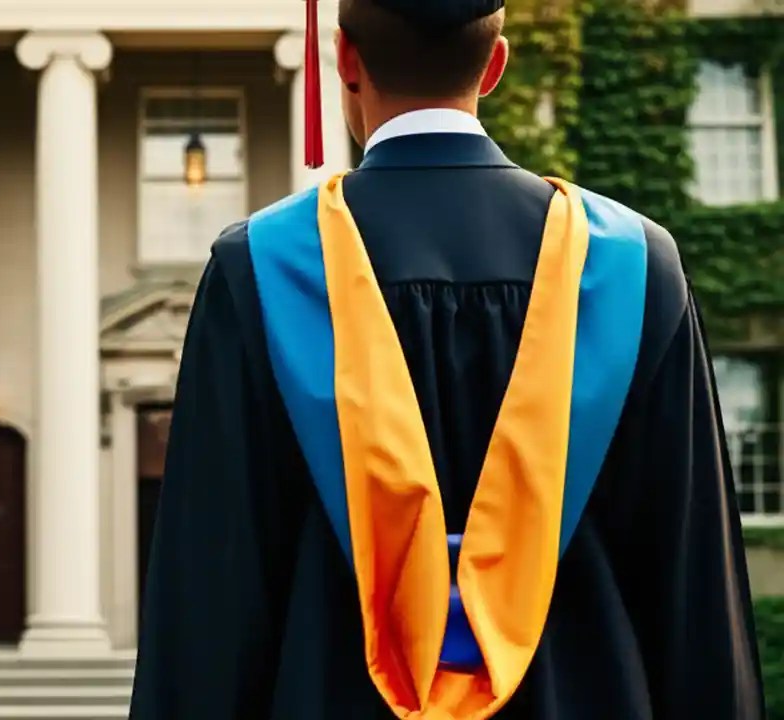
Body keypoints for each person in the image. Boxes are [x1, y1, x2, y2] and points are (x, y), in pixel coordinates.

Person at [128, 0, 765, 718]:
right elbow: (693, 593)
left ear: (345, 59)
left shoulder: (261, 271)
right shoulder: (632, 267)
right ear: (494, 65)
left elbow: (210, 600)